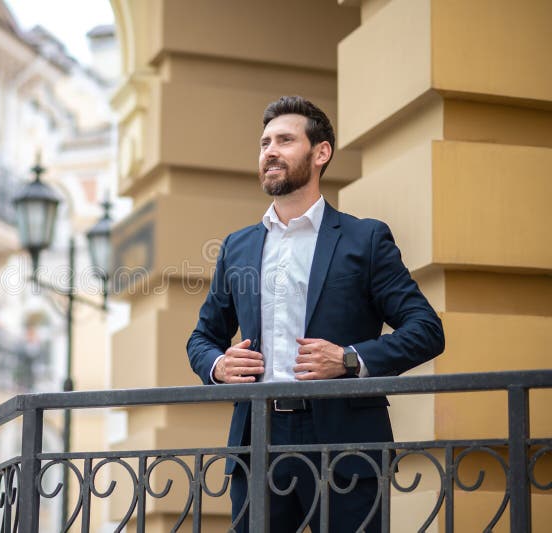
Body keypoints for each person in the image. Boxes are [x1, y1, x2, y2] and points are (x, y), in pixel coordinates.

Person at [186, 96, 444, 532]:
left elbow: (426, 329)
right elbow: (202, 338)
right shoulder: (237, 247)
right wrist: (218, 366)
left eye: (285, 140)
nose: (270, 151)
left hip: (347, 444)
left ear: (321, 152)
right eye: (265, 143)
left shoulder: (365, 239)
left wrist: (348, 359)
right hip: (258, 438)